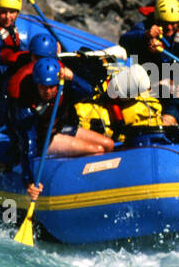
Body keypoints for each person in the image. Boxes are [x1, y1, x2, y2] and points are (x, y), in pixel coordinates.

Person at [6, 57, 115, 202]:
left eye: (52, 86)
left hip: (59, 128)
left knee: (109, 144)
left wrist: (73, 78)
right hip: (42, 138)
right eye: (43, 87)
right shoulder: (24, 107)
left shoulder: (64, 87)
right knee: (97, 150)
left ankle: (107, 183)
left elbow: (89, 92)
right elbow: (28, 144)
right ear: (36, 84)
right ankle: (84, 188)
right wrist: (29, 181)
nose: (48, 91)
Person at [119, 0, 179, 70]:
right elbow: (123, 40)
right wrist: (145, 35)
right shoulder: (145, 26)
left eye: (173, 23)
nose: (169, 27)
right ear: (156, 20)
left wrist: (162, 52)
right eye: (165, 23)